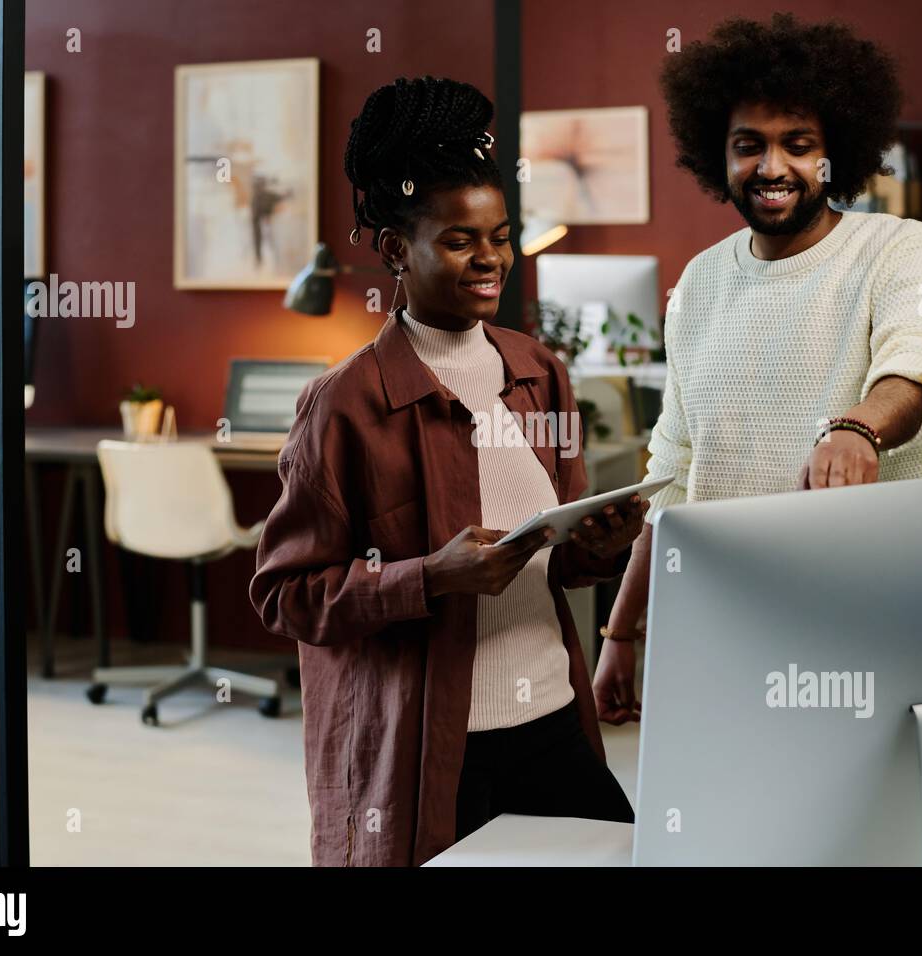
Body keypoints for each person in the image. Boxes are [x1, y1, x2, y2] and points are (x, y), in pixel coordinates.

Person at [249, 76, 645, 867]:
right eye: (462, 241)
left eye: (500, 236)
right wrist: (431, 577)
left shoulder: (540, 372)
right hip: (435, 746)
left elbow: (555, 560)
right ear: (397, 250)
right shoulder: (346, 403)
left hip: (553, 724)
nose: (492, 258)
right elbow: (285, 597)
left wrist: (602, 540)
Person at [593, 14, 922, 722]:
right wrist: (620, 629)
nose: (771, 168)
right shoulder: (700, 282)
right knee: (713, 829)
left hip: (869, 629)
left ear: (837, 154)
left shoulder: (902, 250)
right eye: (749, 147)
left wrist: (857, 429)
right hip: (718, 633)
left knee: (868, 830)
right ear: (720, 155)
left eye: (798, 145)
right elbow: (672, 468)